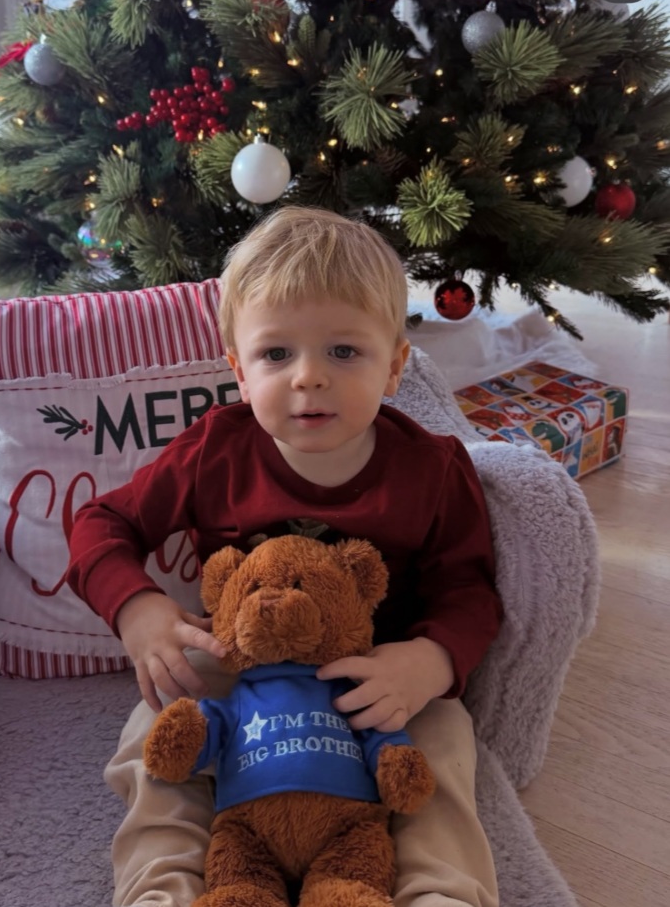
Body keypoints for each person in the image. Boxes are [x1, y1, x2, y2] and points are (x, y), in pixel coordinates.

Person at [67, 206, 504, 907]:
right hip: (239, 664)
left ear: (393, 366)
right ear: (238, 370)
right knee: (156, 728)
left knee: (444, 742)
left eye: (342, 351)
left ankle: (440, 892)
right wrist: (138, 609)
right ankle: (162, 888)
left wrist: (429, 661)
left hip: (373, 673)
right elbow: (101, 522)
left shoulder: (432, 468)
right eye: (276, 354)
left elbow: (471, 590)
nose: (308, 378)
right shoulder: (216, 447)